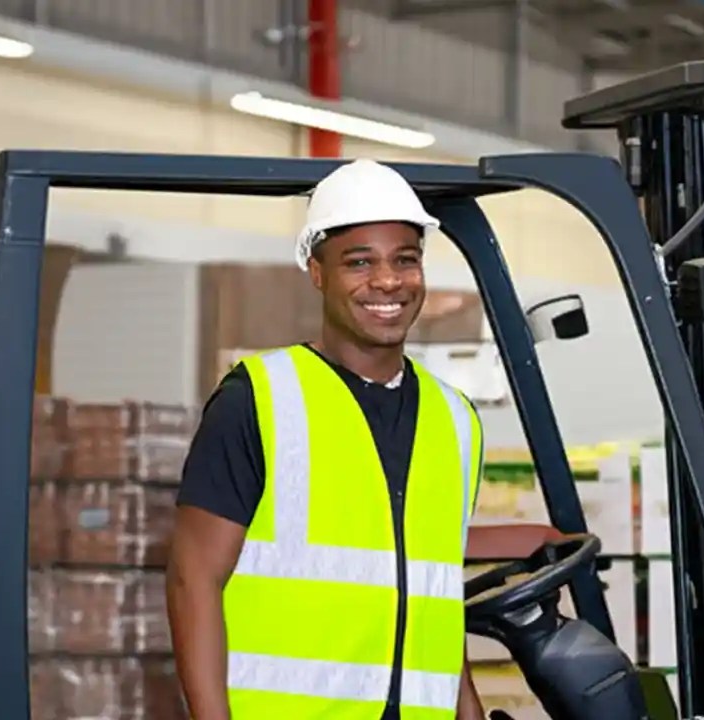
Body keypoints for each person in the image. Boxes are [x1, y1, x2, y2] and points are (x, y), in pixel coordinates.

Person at [166, 158, 568, 720]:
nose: (387, 281)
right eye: (360, 262)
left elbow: (427, 595)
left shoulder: (454, 420)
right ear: (317, 270)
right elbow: (193, 578)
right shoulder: (259, 400)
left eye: (406, 260)